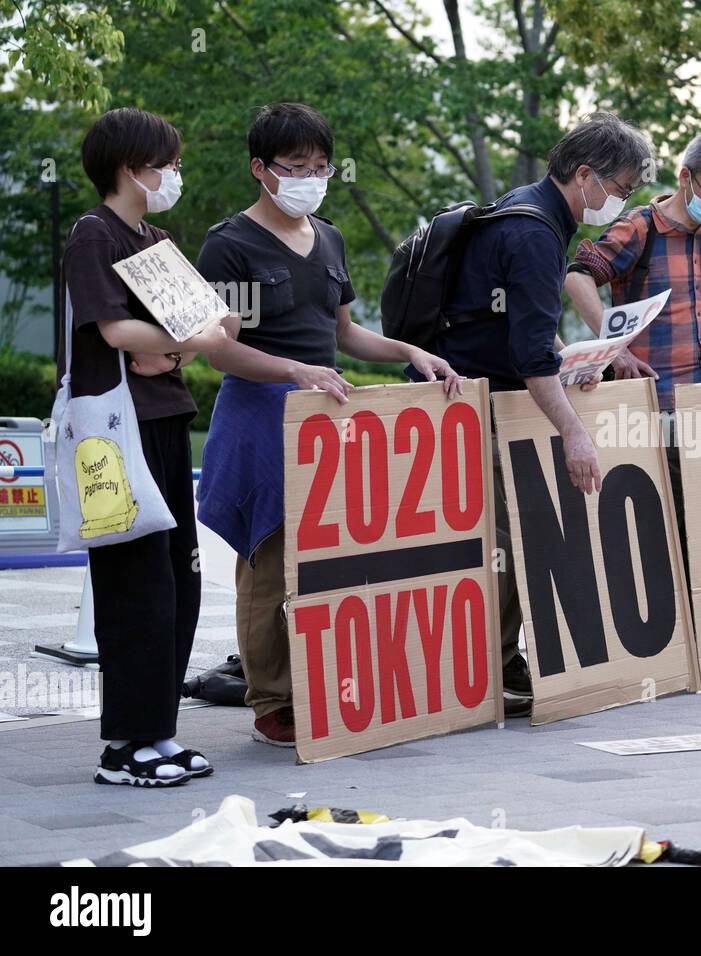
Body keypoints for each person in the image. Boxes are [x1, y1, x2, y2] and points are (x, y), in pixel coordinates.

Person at [195, 103, 461, 747]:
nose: (311, 178)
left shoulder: (331, 238)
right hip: (261, 419)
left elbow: (343, 334)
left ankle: (325, 684)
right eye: (296, 167)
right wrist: (292, 370)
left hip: (324, 419)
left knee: (327, 558)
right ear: (260, 169)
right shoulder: (231, 244)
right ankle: (271, 701)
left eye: (321, 167)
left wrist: (408, 351)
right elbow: (218, 346)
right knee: (271, 560)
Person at [429, 112, 656, 713]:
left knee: (503, 536)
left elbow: (524, 331)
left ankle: (500, 661)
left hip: (475, 393)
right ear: (585, 175)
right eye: (621, 189)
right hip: (483, 400)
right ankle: (498, 666)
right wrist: (575, 433)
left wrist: (574, 356)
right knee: (507, 538)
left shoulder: (523, 208)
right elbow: (530, 359)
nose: (620, 202)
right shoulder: (535, 233)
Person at [61, 108, 230, 785]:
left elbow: (207, 321)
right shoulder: (92, 233)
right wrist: (174, 341)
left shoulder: (154, 237)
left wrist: (176, 344)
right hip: (113, 430)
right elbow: (113, 332)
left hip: (163, 420)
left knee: (179, 583)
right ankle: (125, 747)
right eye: (167, 163)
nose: (173, 176)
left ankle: (157, 734)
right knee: (137, 587)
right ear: (132, 167)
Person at [565, 131, 701, 572]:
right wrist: (613, 347)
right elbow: (577, 277)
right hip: (647, 412)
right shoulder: (640, 226)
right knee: (656, 539)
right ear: (685, 178)